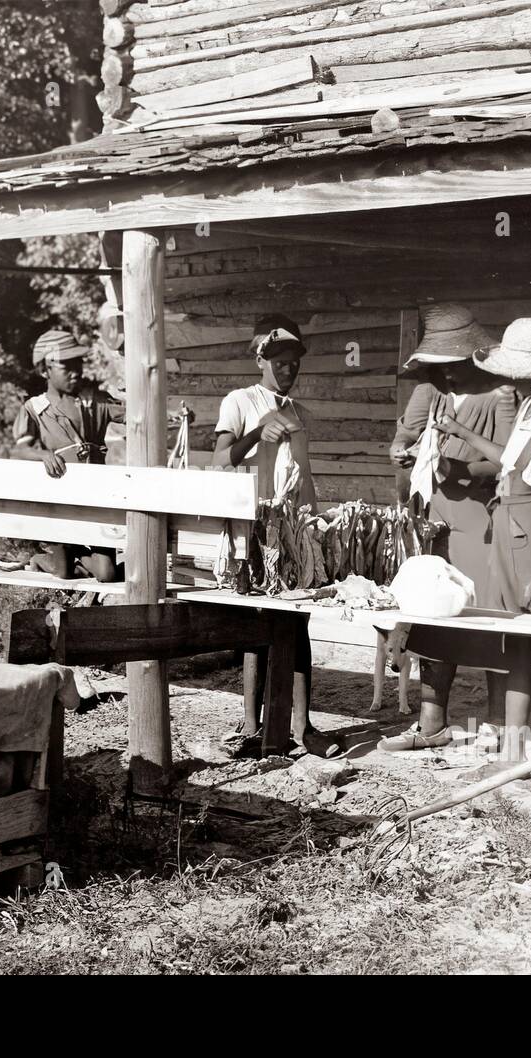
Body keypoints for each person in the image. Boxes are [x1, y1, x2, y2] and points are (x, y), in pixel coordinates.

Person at [434, 317, 531, 794]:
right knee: (515, 644)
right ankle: (513, 756)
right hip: (507, 529)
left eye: (515, 371)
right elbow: (511, 460)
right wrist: (459, 428)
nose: (508, 379)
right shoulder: (530, 407)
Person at [379, 304, 515, 751]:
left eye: (453, 367)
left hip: (484, 520)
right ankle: (431, 723)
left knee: (489, 618)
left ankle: (496, 724)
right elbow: (404, 435)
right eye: (439, 366)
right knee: (431, 616)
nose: (446, 376)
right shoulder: (430, 388)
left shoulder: (501, 394)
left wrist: (463, 469)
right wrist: (402, 450)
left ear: (473, 357)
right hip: (436, 519)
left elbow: (507, 460)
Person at [212, 315, 337, 758]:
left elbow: (303, 477)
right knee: (257, 626)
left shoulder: (299, 413)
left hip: (294, 531)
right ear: (261, 359)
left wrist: (315, 524)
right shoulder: (241, 401)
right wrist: (256, 433)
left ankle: (302, 726)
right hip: (252, 529)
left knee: (297, 623)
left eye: (294, 364)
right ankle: (252, 724)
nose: (289, 370)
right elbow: (222, 458)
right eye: (280, 362)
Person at [13, 327, 123, 582]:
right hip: (60, 502)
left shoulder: (94, 401)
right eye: (66, 366)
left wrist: (174, 416)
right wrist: (42, 455)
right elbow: (20, 448)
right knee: (62, 573)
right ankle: (41, 558)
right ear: (45, 370)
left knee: (107, 574)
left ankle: (80, 558)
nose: (76, 371)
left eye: (78, 363)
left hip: (95, 499)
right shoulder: (34, 408)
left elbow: (133, 413)